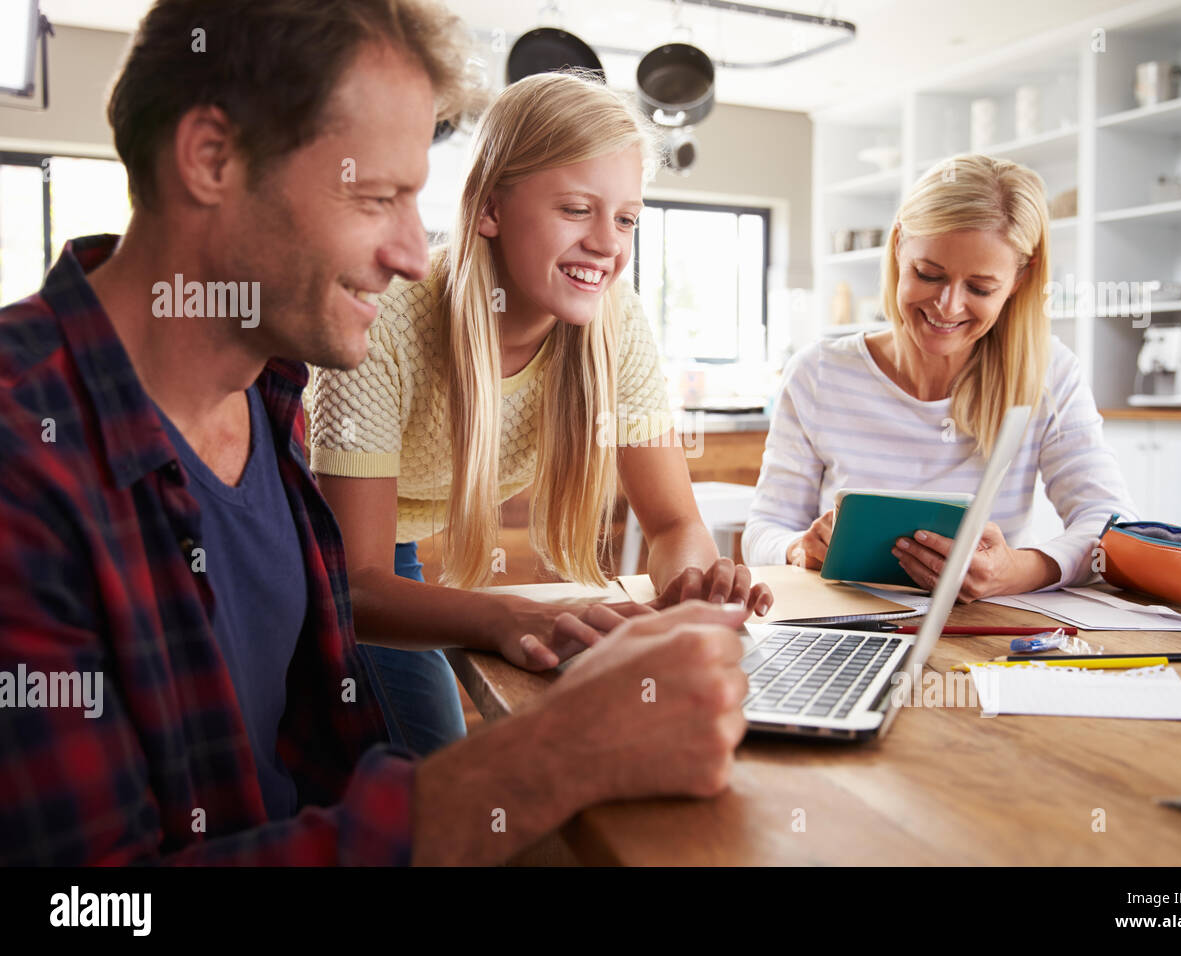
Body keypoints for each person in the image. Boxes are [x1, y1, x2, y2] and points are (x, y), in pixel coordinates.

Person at [0, 0, 748, 866]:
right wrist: (543, 759)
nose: (414, 253)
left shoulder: (265, 403)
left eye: (416, 199)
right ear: (211, 159)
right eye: (375, 197)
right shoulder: (27, 454)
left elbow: (313, 786)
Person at [306, 71, 772, 755]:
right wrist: (507, 614)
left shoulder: (615, 326)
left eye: (625, 218)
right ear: (490, 208)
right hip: (307, 545)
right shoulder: (388, 321)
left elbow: (675, 523)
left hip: (383, 554)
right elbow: (356, 585)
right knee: (422, 755)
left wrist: (690, 592)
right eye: (576, 209)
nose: (609, 244)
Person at [743, 154, 1138, 600]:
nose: (948, 306)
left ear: (1019, 280)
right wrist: (798, 547)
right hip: (843, 622)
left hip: (983, 630)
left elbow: (1111, 524)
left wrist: (1020, 569)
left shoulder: (1048, 373)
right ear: (898, 247)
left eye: (980, 288)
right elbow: (762, 530)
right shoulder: (819, 373)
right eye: (928, 274)